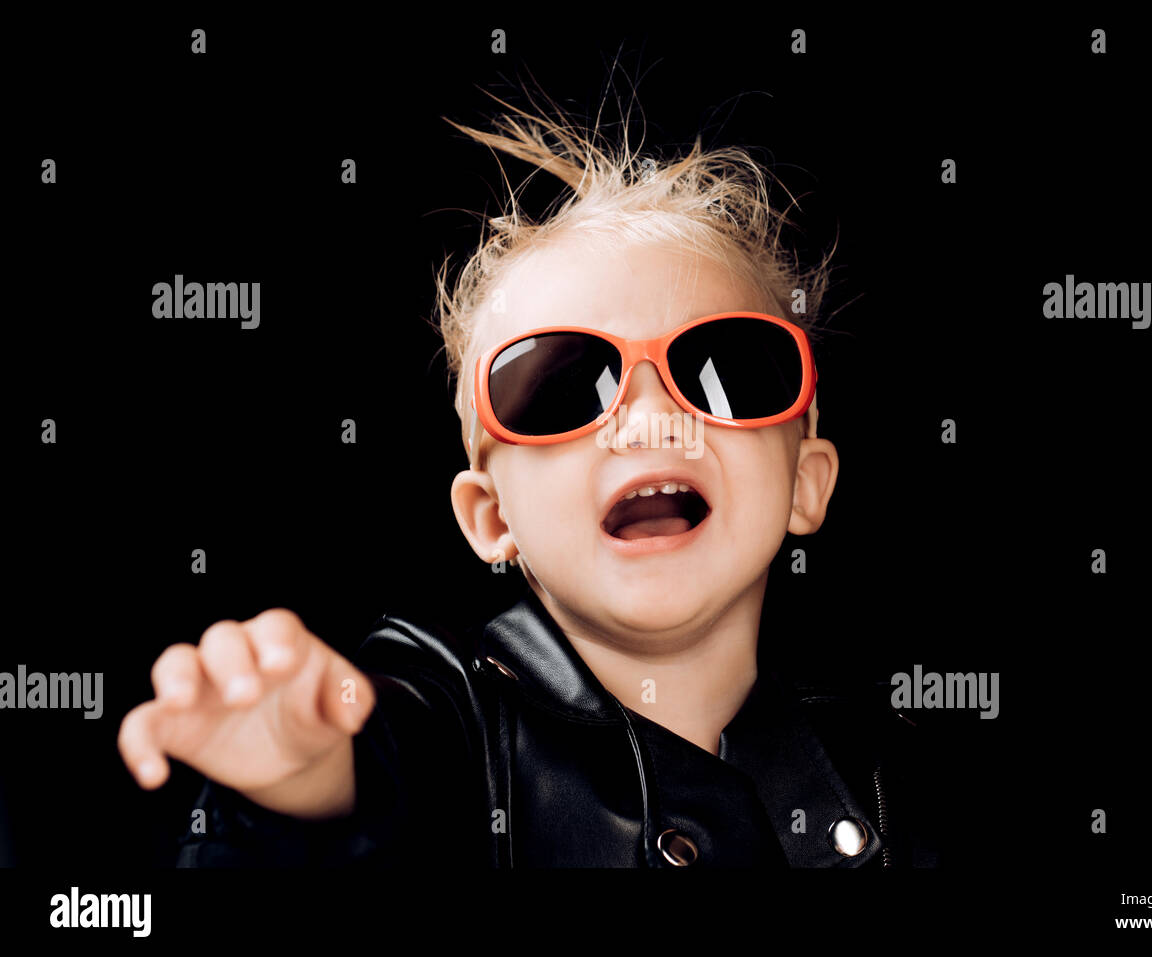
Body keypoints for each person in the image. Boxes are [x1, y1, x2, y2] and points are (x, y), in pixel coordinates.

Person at [117, 80, 940, 869]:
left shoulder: (885, 764)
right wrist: (304, 775)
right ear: (490, 518)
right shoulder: (451, 719)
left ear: (805, 482)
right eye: (560, 388)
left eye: (721, 368)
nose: (650, 418)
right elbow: (381, 772)